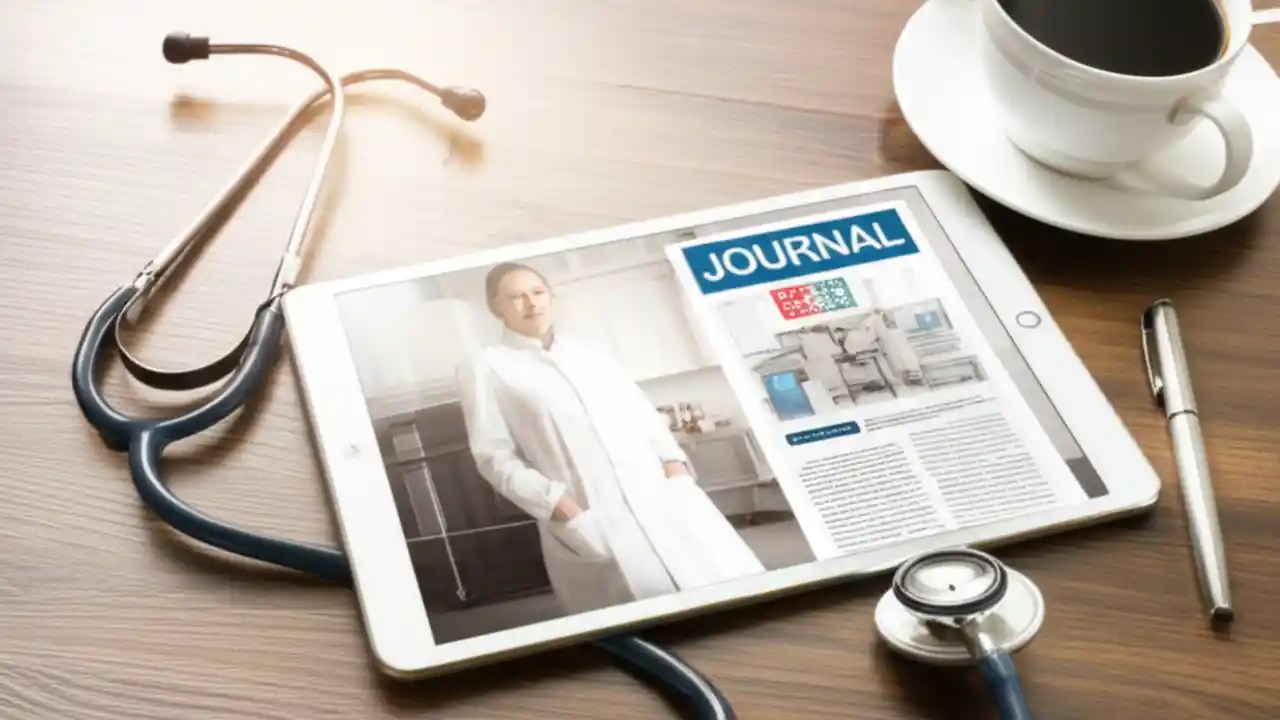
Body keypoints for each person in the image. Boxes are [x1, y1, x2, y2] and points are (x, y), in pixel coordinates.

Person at [455, 261, 765, 615]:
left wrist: (675, 469)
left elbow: (644, 416)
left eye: (537, 292)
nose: (531, 303)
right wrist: (560, 506)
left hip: (664, 496)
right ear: (496, 307)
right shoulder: (486, 367)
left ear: (551, 296)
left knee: (731, 594)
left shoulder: (591, 353)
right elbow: (494, 457)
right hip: (589, 513)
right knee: (647, 619)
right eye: (516, 296)